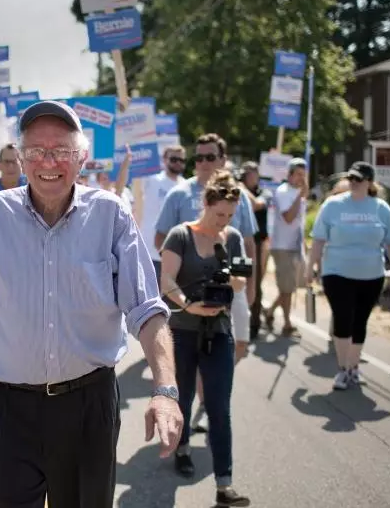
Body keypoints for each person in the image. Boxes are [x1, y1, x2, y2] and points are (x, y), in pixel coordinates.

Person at [0, 101, 182, 508]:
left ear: (82, 157)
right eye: (37, 151)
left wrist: (165, 389)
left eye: (61, 150)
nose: (49, 161)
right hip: (9, 408)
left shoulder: (110, 214)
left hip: (86, 407)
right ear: (21, 159)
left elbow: (146, 309)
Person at [159, 170, 251, 506]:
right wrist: (188, 305)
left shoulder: (234, 238)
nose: (223, 221)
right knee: (181, 399)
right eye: (218, 214)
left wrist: (230, 275)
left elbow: (239, 286)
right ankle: (182, 448)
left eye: (229, 215)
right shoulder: (180, 235)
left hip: (219, 332)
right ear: (206, 205)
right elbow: (166, 278)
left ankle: (224, 484)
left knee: (219, 408)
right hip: (182, 331)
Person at [154, 133, 257, 431]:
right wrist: (188, 256)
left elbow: (249, 242)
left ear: (222, 160)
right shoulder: (179, 194)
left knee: (241, 343)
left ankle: (207, 384)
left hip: (232, 285)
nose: (202, 163)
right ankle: (202, 396)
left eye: (209, 157)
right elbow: (161, 238)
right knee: (196, 348)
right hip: (192, 288)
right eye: (198, 157)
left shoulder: (239, 196)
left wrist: (251, 286)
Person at [306, 161, 390, 390]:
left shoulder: (381, 208)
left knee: (360, 320)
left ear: (369, 182)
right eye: (351, 178)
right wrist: (311, 267)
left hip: (371, 274)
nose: (354, 183)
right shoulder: (332, 205)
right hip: (336, 272)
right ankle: (342, 369)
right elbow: (318, 239)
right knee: (342, 317)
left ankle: (354, 367)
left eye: (358, 179)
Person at [265, 158, 309, 336]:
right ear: (290, 175)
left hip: (294, 245)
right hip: (282, 246)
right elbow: (289, 217)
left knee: (289, 287)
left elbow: (299, 221)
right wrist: (300, 195)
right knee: (287, 287)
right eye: (298, 174)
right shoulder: (284, 192)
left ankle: (269, 311)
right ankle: (287, 323)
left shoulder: (298, 193)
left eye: (303, 175)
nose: (302, 179)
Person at [135, 145, 187, 282]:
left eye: (181, 160)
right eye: (174, 159)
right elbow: (135, 184)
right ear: (164, 160)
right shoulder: (152, 180)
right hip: (150, 253)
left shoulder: (186, 186)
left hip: (177, 254)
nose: (178, 163)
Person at [239, 161, 270, 341]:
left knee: (255, 284)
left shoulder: (263, 193)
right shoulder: (238, 190)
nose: (248, 177)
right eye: (246, 174)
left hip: (257, 245)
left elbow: (257, 205)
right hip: (241, 244)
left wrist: (242, 189)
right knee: (240, 282)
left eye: (251, 173)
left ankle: (254, 325)